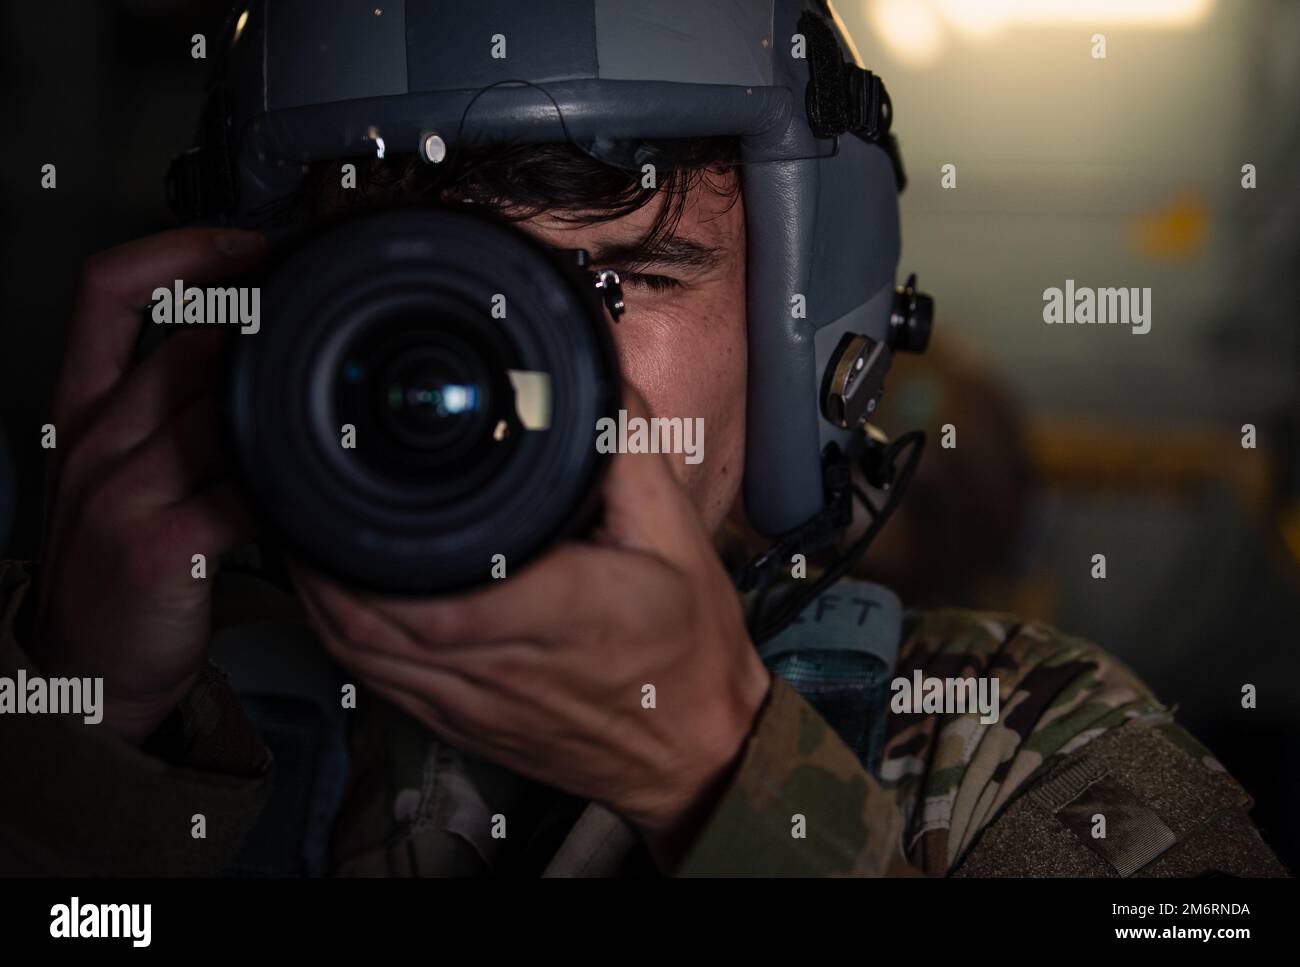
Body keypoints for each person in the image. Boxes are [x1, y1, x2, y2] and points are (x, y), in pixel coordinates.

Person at [0, 1, 1285, 877]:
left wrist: (729, 781)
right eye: (428, 299)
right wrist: (81, 737)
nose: (520, 372)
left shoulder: (1014, 741)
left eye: (625, 278)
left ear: (795, 334)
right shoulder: (145, 694)